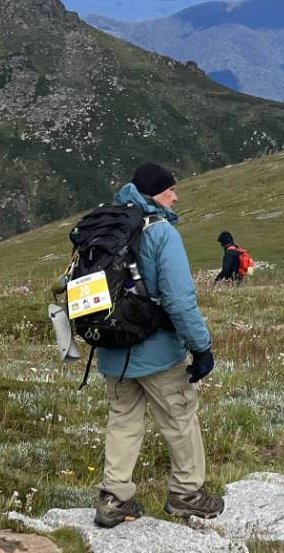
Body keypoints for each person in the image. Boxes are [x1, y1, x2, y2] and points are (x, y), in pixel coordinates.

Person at [94, 163, 223, 526]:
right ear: (154, 194)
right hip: (157, 351)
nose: (175, 197)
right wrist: (201, 347)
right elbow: (179, 301)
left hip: (112, 347)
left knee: (123, 420)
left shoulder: (108, 225)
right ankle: (187, 494)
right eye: (170, 191)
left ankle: (112, 498)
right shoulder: (161, 232)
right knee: (180, 418)